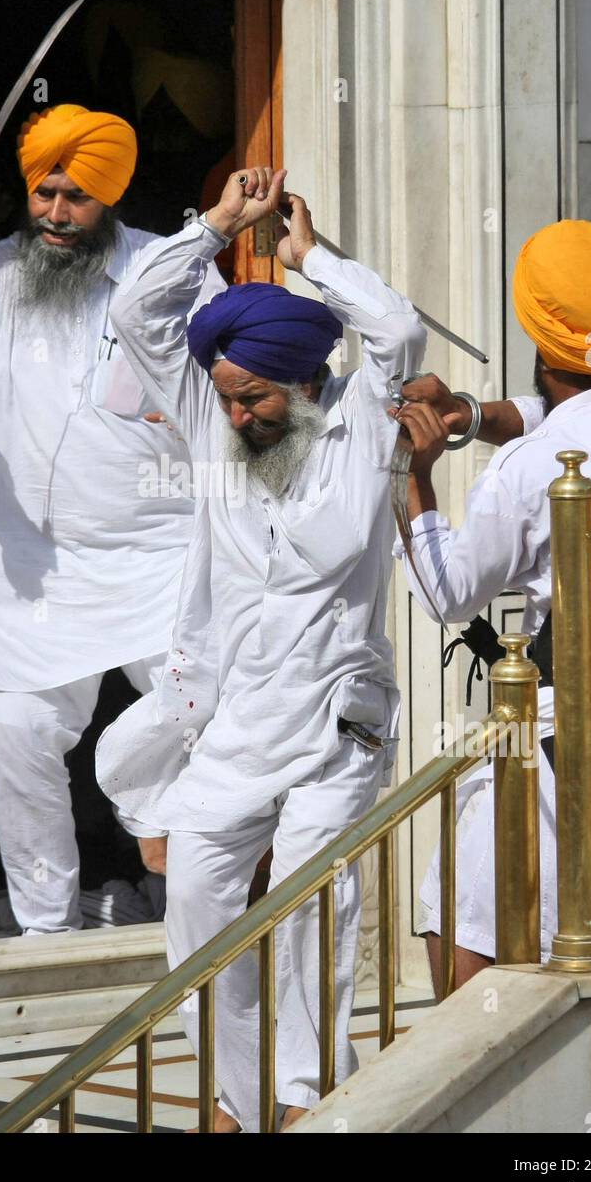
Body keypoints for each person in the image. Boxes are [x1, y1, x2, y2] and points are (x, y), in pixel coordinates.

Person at [96, 166, 425, 1131]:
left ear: (302, 382)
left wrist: (310, 259)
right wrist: (216, 225)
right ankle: (240, 1098)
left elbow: (397, 334)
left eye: (255, 401)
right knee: (197, 898)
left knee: (309, 895)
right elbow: (134, 310)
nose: (238, 415)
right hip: (231, 721)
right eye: (228, 398)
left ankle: (303, 1097)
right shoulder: (208, 421)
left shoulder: (360, 423)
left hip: (337, 719)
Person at [0, 104, 225, 935]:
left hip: (164, 563)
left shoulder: (171, 270)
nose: (55, 213)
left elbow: (237, 369)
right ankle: (46, 930)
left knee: (208, 721)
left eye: (76, 197)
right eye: (45, 193)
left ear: (109, 198)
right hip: (31, 569)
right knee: (17, 737)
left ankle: (202, 905)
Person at [390, 218, 591, 993]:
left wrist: (412, 474)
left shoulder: (529, 471)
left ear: (543, 337)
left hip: (577, 729)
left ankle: (462, 1083)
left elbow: (446, 592)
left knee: (468, 902)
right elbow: (573, 414)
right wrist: (468, 413)